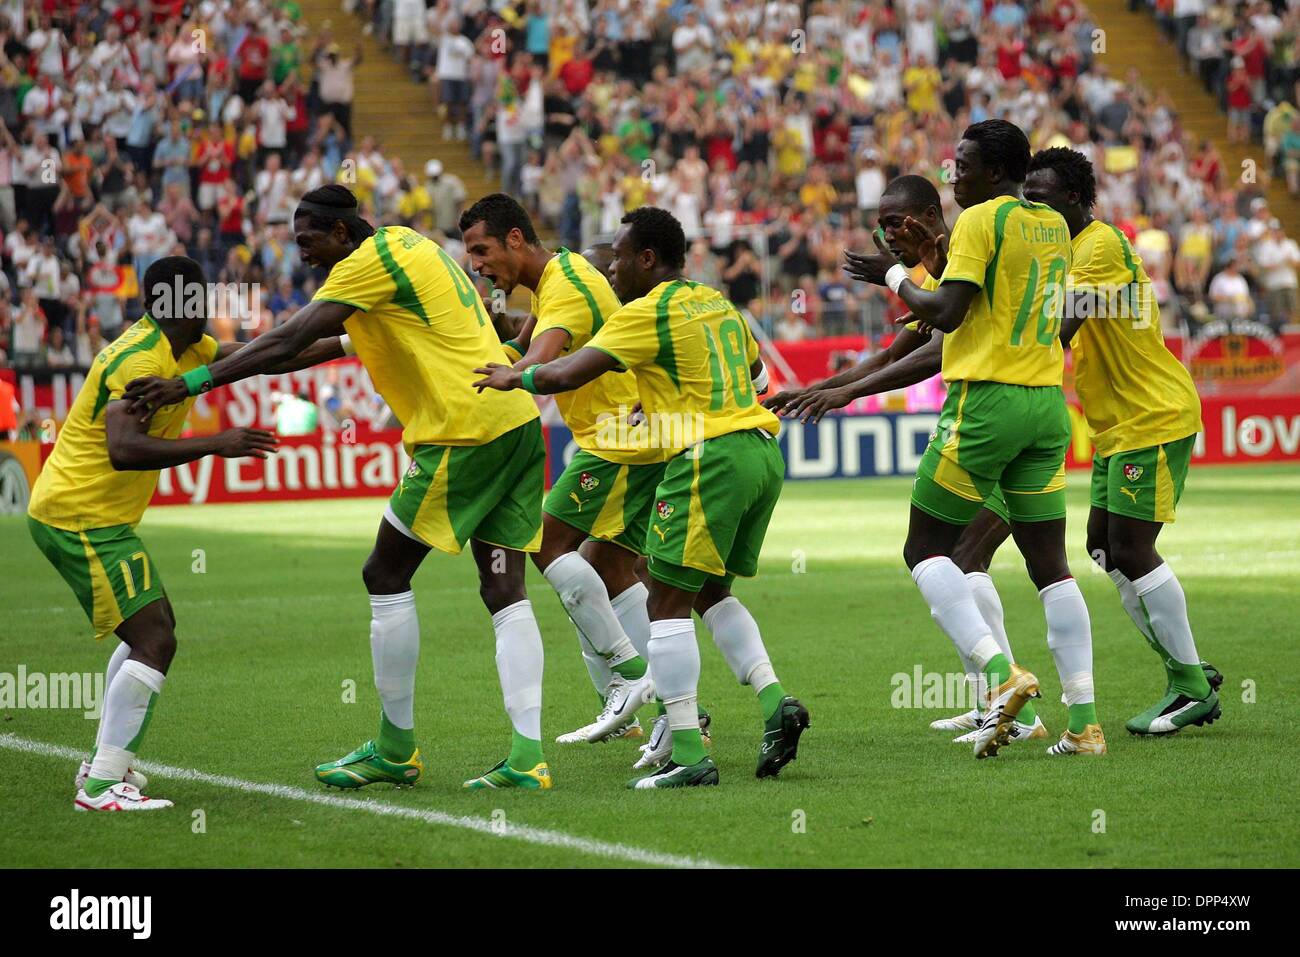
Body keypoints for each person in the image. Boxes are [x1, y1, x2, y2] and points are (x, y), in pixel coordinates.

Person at [123, 185, 555, 791]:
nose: (301, 254)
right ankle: (527, 757)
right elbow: (315, 347)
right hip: (515, 424)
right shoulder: (410, 246)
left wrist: (192, 383)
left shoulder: (364, 265)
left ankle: (396, 748)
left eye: (308, 242)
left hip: (465, 435)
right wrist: (239, 357)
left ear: (342, 235)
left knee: (384, 572)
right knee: (504, 587)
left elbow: (291, 338)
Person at [474, 207, 809, 789]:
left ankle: (687, 750)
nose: (612, 271)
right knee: (708, 591)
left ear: (646, 260)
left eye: (620, 259)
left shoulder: (645, 312)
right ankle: (774, 701)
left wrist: (517, 378)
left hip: (708, 457)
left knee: (665, 604)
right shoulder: (718, 304)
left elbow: (562, 374)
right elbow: (757, 380)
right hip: (760, 450)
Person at [840, 120, 1103, 759]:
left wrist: (892, 278)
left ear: (992, 172)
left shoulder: (984, 221)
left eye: (962, 165)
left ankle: (999, 680)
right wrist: (924, 260)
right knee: (1052, 568)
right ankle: (1085, 722)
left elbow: (947, 315)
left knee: (925, 548)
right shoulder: (1052, 225)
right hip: (1046, 405)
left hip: (987, 402)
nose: (953, 174)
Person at [766, 175, 1046, 744]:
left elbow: (939, 349)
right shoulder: (941, 275)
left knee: (934, 552)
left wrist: (846, 389)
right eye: (881, 223)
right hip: (1019, 418)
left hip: (997, 417)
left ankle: (1006, 690)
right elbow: (896, 354)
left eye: (896, 222)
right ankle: (1007, 707)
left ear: (926, 216)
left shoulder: (965, 259)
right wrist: (822, 386)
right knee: (966, 562)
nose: (886, 235)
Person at [26, 256, 294, 812]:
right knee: (155, 639)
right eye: (200, 295)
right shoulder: (136, 357)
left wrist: (353, 339)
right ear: (176, 303)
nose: (211, 305)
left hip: (100, 518)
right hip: (79, 516)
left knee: (153, 630)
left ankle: (104, 763)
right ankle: (101, 785)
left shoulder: (189, 350)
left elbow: (268, 355)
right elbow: (123, 450)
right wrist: (216, 443)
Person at [1023, 147, 1222, 736]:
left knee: (1132, 550)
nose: (1033, 203)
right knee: (1103, 546)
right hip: (1119, 425)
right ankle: (1184, 668)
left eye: (1044, 196)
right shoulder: (1066, 251)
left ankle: (1188, 685)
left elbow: (1060, 326)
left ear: (1079, 201)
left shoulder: (1099, 247)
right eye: (1026, 194)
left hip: (1152, 416)